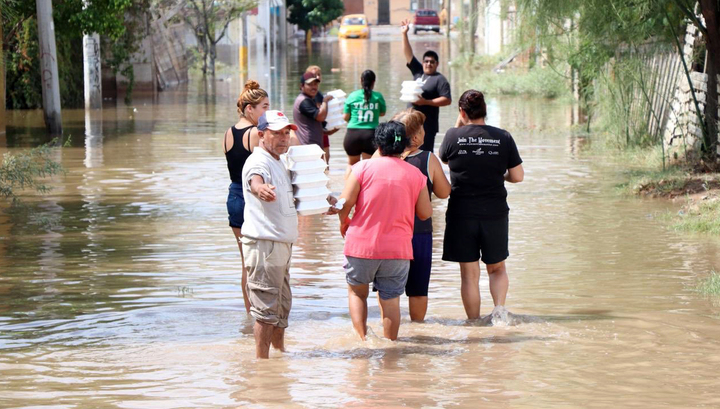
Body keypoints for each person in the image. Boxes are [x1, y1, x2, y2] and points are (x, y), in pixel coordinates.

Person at [242, 110, 337, 359]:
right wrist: (260, 188)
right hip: (265, 245)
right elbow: (255, 180)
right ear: (261, 134)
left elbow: (295, 196)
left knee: (281, 307)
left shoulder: (281, 161)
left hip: (281, 245)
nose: (284, 138)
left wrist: (322, 202)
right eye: (277, 133)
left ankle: (280, 356)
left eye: (286, 133)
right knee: (265, 311)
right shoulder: (258, 161)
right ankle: (262, 365)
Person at [337, 121, 432, 341]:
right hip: (397, 250)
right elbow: (425, 213)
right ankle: (390, 349)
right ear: (406, 144)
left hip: (361, 245)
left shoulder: (361, 168)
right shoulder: (416, 175)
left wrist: (344, 222)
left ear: (378, 144)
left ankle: (363, 342)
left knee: (357, 294)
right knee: (391, 300)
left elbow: (345, 203)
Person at [438, 90, 524, 321]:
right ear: (485, 110)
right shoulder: (503, 137)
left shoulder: (452, 136)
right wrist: (500, 175)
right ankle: (499, 312)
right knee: (496, 268)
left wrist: (459, 123)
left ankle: (474, 325)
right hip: (494, 213)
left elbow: (444, 159)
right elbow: (517, 177)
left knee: (469, 275)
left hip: (461, 214)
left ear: (462, 111)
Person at [393, 109, 451, 322]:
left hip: (389, 233)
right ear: (416, 136)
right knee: (417, 290)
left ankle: (390, 337)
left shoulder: (383, 158)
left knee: (389, 291)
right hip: (419, 232)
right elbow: (444, 192)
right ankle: (417, 331)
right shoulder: (428, 159)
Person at [224, 80, 269, 314]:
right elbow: (264, 166)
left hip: (233, 197)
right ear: (250, 109)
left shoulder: (228, 133)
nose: (267, 112)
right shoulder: (254, 133)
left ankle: (249, 314)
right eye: (264, 106)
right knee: (259, 262)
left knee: (246, 262)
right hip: (251, 198)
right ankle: (262, 312)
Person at [400, 18, 452, 152]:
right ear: (423, 62)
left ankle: (427, 173)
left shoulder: (440, 79)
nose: (429, 64)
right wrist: (404, 34)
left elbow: (447, 100)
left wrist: (426, 102)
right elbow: (408, 54)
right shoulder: (418, 71)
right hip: (411, 123)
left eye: (432, 62)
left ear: (437, 64)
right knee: (407, 152)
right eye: (426, 61)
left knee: (425, 155)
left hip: (428, 125)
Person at [343, 70, 386, 167]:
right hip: (370, 135)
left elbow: (345, 117)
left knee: (352, 165)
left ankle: (347, 183)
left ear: (361, 80)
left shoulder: (353, 96)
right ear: (374, 82)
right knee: (368, 167)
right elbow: (382, 113)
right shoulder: (378, 96)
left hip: (352, 135)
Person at [293, 71, 334, 162]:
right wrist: (325, 101)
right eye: (310, 84)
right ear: (302, 86)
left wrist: (328, 131)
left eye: (315, 84)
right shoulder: (304, 101)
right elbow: (320, 116)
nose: (314, 87)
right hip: (308, 147)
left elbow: (310, 124)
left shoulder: (309, 100)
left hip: (312, 147)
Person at [304, 66, 339, 164]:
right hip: (312, 132)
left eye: (319, 74)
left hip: (322, 128)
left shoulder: (319, 94)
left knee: (326, 156)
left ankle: (326, 171)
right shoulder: (306, 96)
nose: (317, 77)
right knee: (316, 160)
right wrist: (325, 102)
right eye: (314, 75)